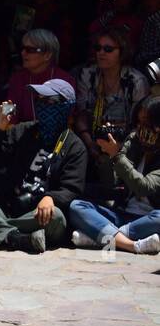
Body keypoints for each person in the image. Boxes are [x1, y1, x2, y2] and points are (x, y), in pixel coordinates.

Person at [0, 81, 86, 254]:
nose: (42, 105)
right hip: (7, 210)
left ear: (66, 107)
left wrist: (51, 198)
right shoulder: (23, 130)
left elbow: (72, 188)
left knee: (57, 217)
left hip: (38, 214)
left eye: (49, 101)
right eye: (38, 100)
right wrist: (0, 129)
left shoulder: (75, 146)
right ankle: (17, 238)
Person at [68, 95, 160, 255]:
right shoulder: (134, 140)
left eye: (146, 123)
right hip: (122, 213)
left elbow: (144, 188)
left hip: (148, 219)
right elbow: (113, 183)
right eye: (138, 122)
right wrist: (106, 156)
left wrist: (117, 156)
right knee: (77, 206)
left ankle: (103, 237)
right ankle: (132, 245)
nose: (141, 128)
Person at [73, 25, 148, 179]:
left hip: (126, 143)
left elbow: (140, 126)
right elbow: (81, 115)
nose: (101, 53)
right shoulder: (88, 75)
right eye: (98, 48)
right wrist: (91, 146)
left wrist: (118, 149)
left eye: (108, 49)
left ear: (122, 52)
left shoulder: (136, 81)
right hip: (90, 140)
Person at [0, 28, 73, 125]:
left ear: (47, 55)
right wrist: (6, 121)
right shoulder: (17, 79)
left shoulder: (65, 81)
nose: (23, 53)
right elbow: (9, 111)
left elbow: (66, 119)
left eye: (30, 50)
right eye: (23, 48)